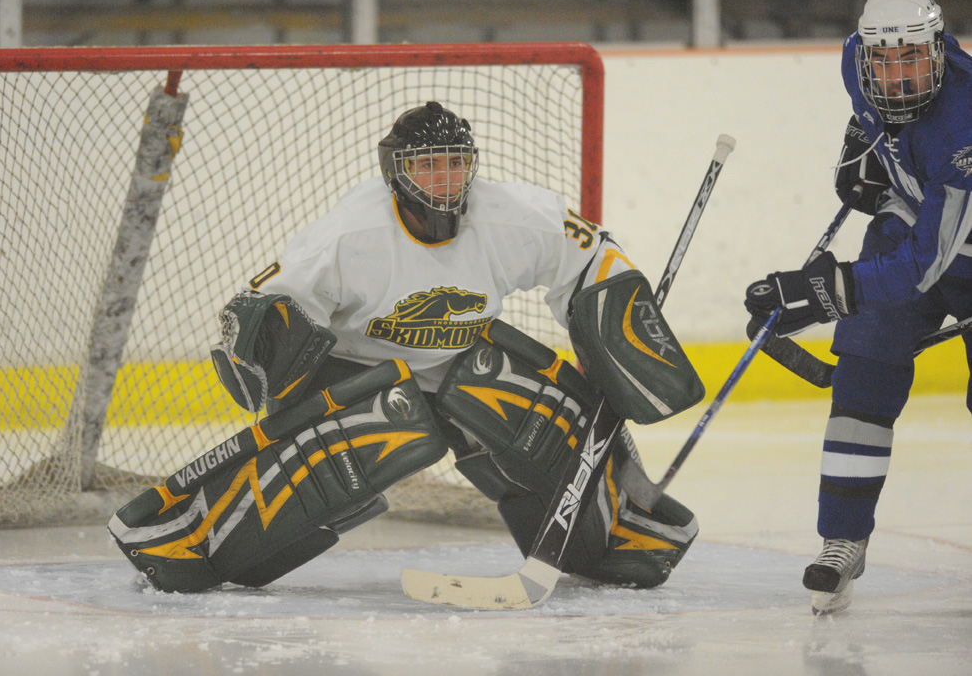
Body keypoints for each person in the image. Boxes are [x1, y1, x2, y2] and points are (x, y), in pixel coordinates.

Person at [110, 101, 701, 593]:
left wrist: (615, 338)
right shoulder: (350, 233)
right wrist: (268, 362)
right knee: (362, 441)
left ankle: (615, 528)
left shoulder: (512, 216)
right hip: (363, 373)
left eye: (455, 165)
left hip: (467, 369)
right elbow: (270, 305)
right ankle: (197, 534)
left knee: (527, 404)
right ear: (396, 171)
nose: (445, 180)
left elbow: (594, 253)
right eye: (428, 167)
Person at [744, 0, 972, 615]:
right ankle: (843, 537)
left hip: (953, 247)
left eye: (913, 61)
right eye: (885, 61)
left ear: (940, 52)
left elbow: (926, 266)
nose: (897, 77)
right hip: (912, 226)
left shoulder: (963, 124)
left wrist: (821, 291)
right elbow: (875, 113)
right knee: (864, 374)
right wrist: (869, 143)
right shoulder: (855, 62)